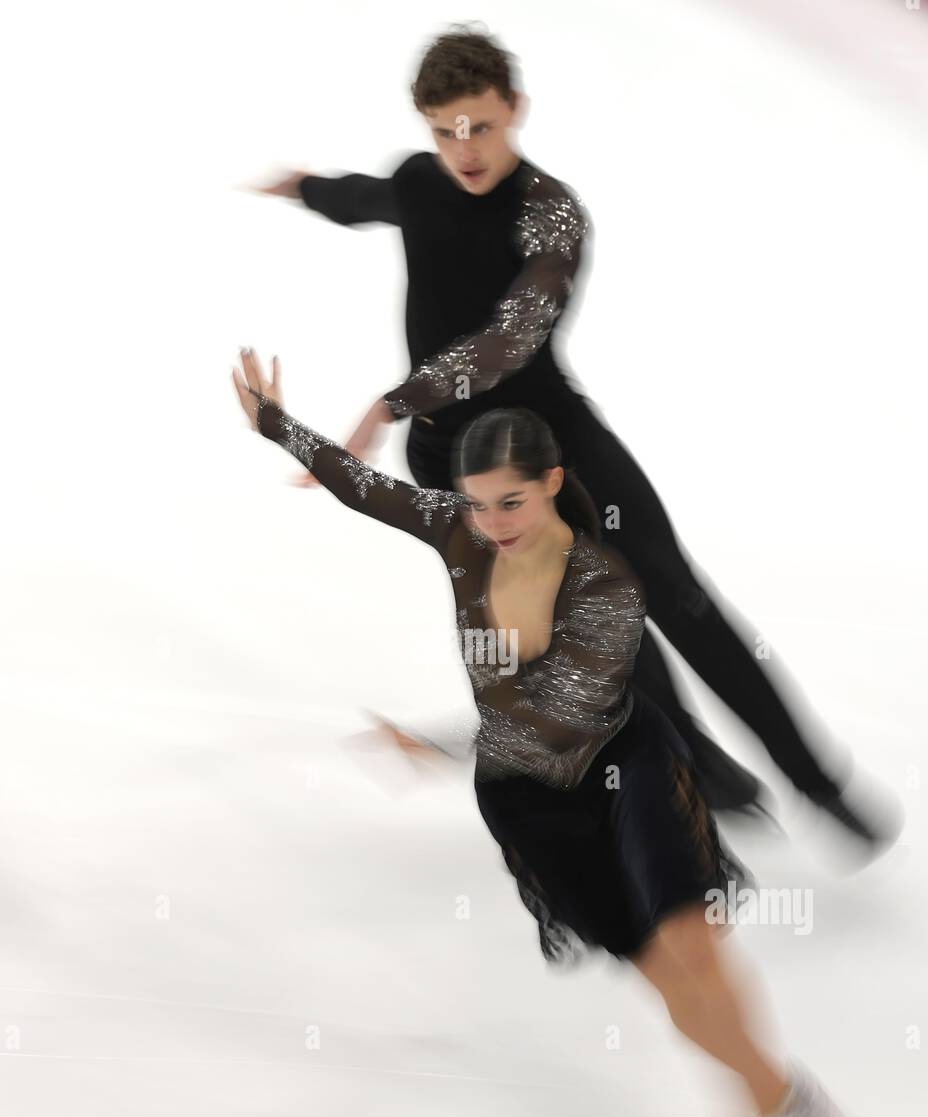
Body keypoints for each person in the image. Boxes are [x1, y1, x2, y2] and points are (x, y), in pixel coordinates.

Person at [231, 345, 880, 1117]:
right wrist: (277, 426)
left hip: (627, 777)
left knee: (696, 955)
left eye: (514, 501)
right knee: (671, 987)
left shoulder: (605, 586)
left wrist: (436, 741)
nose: (493, 523)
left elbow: (558, 710)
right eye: (479, 502)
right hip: (536, 806)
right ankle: (797, 1116)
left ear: (553, 484)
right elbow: (362, 488)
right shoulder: (458, 531)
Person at [249, 24, 898, 852]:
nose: (465, 148)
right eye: (445, 130)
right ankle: (700, 766)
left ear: (514, 109)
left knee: (681, 600)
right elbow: (366, 199)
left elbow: (510, 338)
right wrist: (304, 187)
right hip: (460, 459)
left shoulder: (549, 210)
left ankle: (816, 781)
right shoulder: (420, 181)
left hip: (558, 438)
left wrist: (393, 400)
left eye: (480, 126)